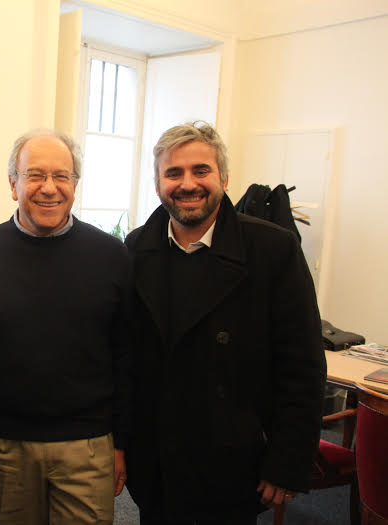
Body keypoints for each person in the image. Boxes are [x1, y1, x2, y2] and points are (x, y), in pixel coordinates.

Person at [123, 122, 326, 524]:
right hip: (157, 457)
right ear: (157, 182)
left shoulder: (273, 249)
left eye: (201, 171)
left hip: (233, 457)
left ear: (224, 178)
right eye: (173, 173)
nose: (187, 184)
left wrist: (286, 461)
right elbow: (127, 357)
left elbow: (302, 365)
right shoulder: (135, 249)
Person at [0, 130, 131, 524]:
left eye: (61, 176)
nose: (49, 188)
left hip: (88, 448)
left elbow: (126, 358)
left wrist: (123, 443)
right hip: (7, 446)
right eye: (35, 175)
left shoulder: (113, 257)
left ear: (75, 184)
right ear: (13, 184)